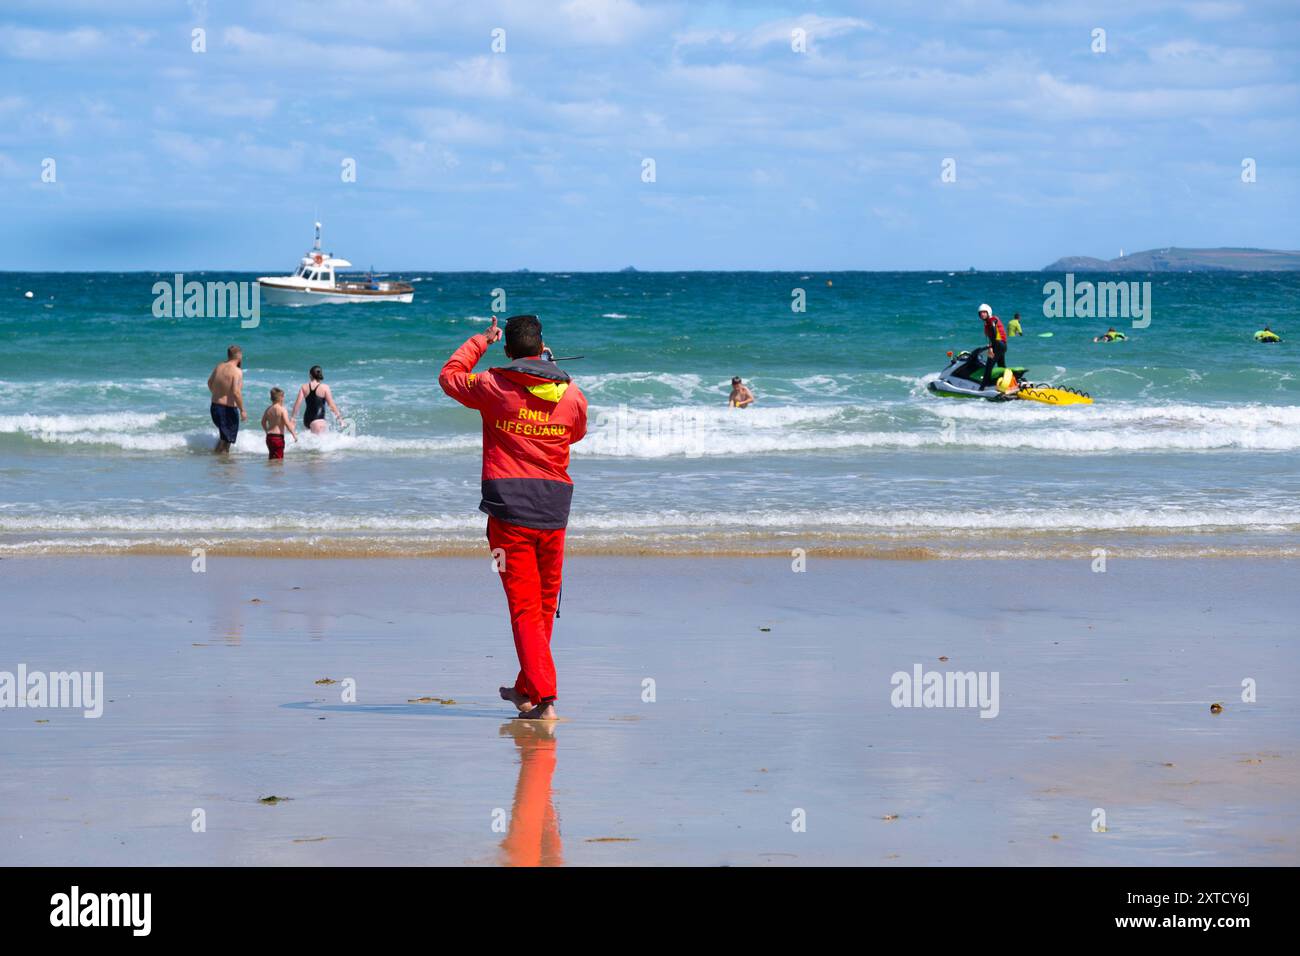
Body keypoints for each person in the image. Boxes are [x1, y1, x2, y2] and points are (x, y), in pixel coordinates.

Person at [439, 314, 588, 721]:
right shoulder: (572, 393)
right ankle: (526, 689)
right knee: (541, 608)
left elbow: (450, 375)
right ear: (542, 349)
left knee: (526, 609)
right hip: (553, 509)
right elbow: (575, 433)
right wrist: (549, 377)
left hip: (510, 511)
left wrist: (481, 340)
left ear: (508, 351)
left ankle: (545, 698)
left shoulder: (492, 385)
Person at [207, 345, 247, 453]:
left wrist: (218, 395)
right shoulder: (237, 371)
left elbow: (210, 383)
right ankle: (223, 467)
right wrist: (242, 410)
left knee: (224, 439)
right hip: (227, 410)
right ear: (239, 356)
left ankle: (218, 463)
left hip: (215, 407)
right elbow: (236, 392)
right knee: (226, 442)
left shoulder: (219, 366)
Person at [290, 366, 344, 434]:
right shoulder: (325, 387)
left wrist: (292, 419)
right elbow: (331, 405)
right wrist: (340, 419)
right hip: (318, 420)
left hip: (306, 420)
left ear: (310, 375)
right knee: (320, 443)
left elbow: (297, 404)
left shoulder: (304, 387)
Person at [261, 387, 298, 460]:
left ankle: (272, 470)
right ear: (280, 398)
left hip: (269, 437)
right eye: (283, 396)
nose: (283, 398)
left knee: (272, 457)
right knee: (279, 460)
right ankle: (277, 471)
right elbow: (287, 424)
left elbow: (262, 422)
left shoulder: (268, 409)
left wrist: (266, 431)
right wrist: (294, 434)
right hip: (278, 438)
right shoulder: (282, 409)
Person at [977, 304, 1008, 387]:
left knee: (988, 368)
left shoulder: (992, 320)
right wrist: (991, 345)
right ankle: (1008, 384)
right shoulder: (988, 323)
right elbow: (992, 337)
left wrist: (991, 348)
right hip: (1002, 346)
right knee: (1002, 366)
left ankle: (982, 388)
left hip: (998, 345)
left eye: (984, 312)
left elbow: (994, 334)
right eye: (980, 313)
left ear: (988, 312)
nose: (982, 314)